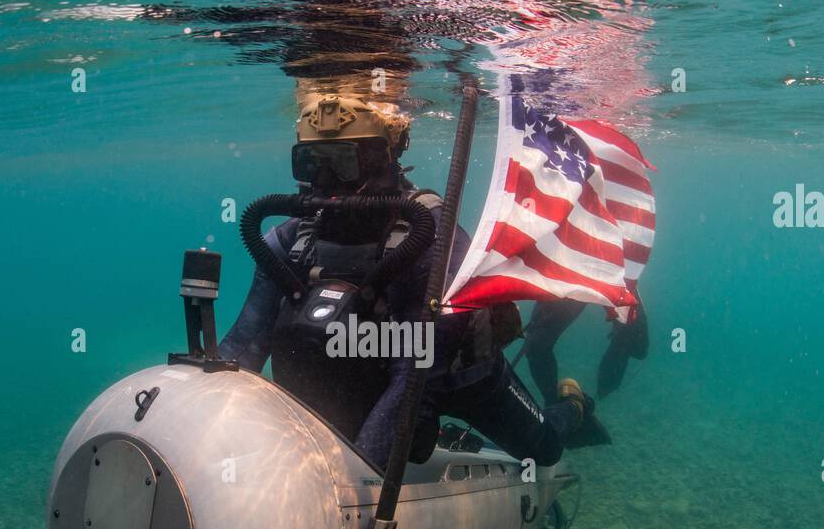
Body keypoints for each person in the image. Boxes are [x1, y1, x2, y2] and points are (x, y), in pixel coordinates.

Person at [218, 91, 611, 470]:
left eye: (343, 162)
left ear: (383, 158)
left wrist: (351, 485)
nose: (326, 180)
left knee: (544, 450)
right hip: (364, 371)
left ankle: (572, 407)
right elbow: (246, 343)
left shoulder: (430, 238)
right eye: (310, 163)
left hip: (459, 377)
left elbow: (417, 371)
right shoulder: (290, 239)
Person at [522, 298, 649, 405]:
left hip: (609, 272)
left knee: (637, 345)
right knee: (536, 345)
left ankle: (597, 395)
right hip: (576, 273)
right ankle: (554, 405)